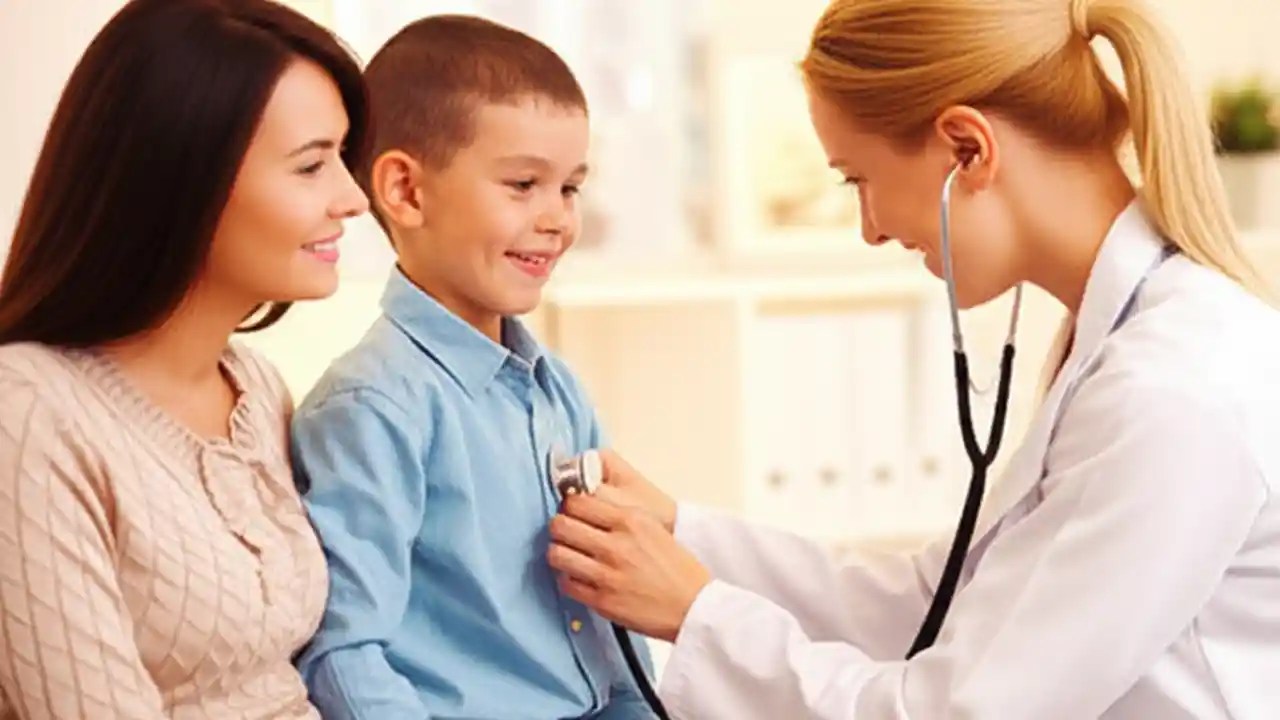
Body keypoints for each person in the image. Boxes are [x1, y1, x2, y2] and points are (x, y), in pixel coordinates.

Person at [546, 0, 1280, 717]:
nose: (869, 229)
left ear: (969, 148)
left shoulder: (1174, 389)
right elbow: (939, 598)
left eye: (858, 179)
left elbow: (965, 710)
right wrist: (681, 535)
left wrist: (696, 615)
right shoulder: (1121, 339)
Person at [0, 0, 370, 717]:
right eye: (311, 166)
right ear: (185, 175)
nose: (351, 198)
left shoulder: (257, 390)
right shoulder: (29, 416)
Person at [289, 14, 657, 720]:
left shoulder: (558, 391)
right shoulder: (371, 408)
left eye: (570, 188)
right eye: (523, 184)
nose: (557, 219)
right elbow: (344, 653)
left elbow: (609, 621)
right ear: (406, 192)